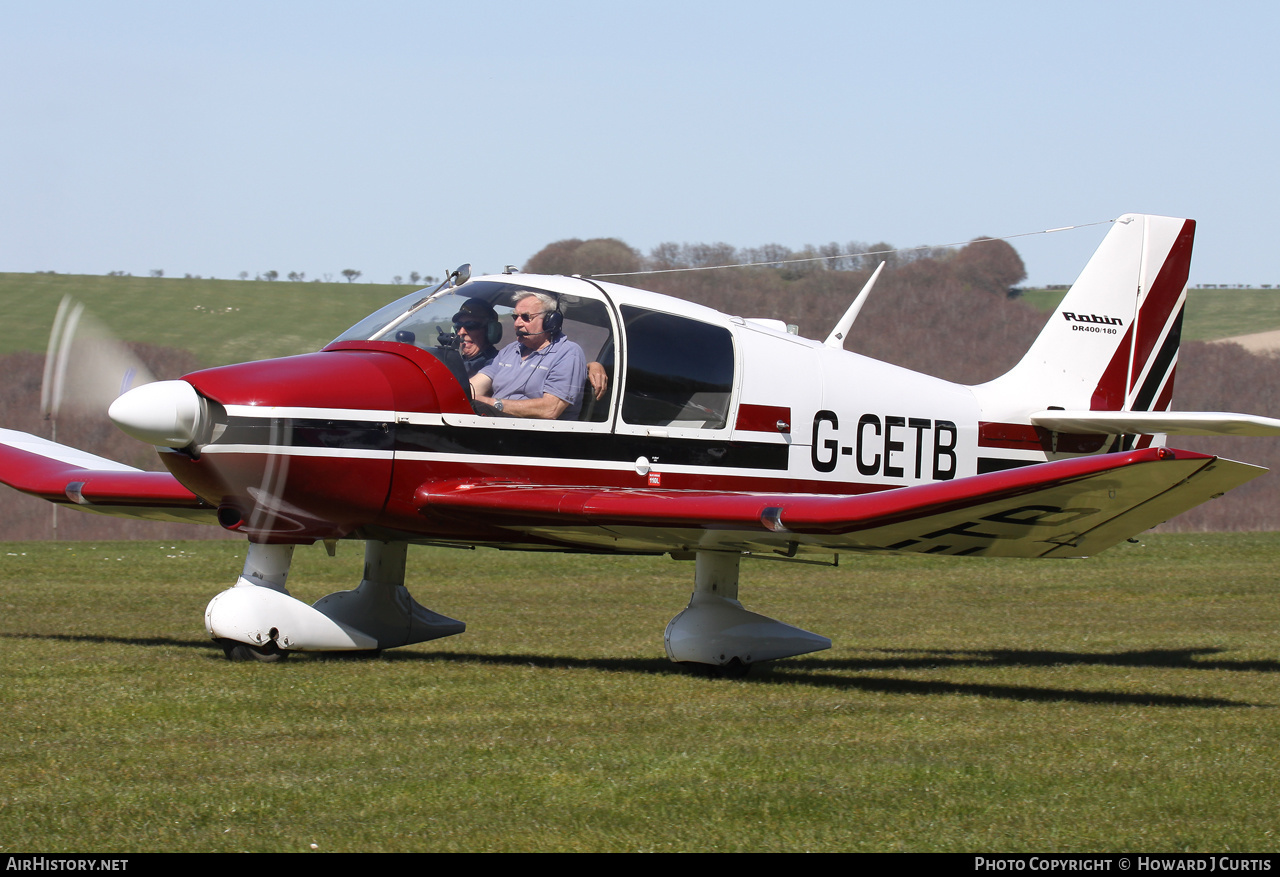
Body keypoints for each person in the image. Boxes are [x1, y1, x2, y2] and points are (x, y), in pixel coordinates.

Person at [471, 291, 587, 419]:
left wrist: (491, 403)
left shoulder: (568, 353)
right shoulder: (510, 350)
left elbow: (550, 409)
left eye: (526, 317)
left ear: (550, 321)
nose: (517, 324)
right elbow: (473, 387)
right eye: (516, 317)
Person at [451, 298, 501, 377]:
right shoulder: (453, 362)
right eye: (458, 326)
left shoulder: (498, 364)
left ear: (490, 330)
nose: (461, 332)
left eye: (471, 325)